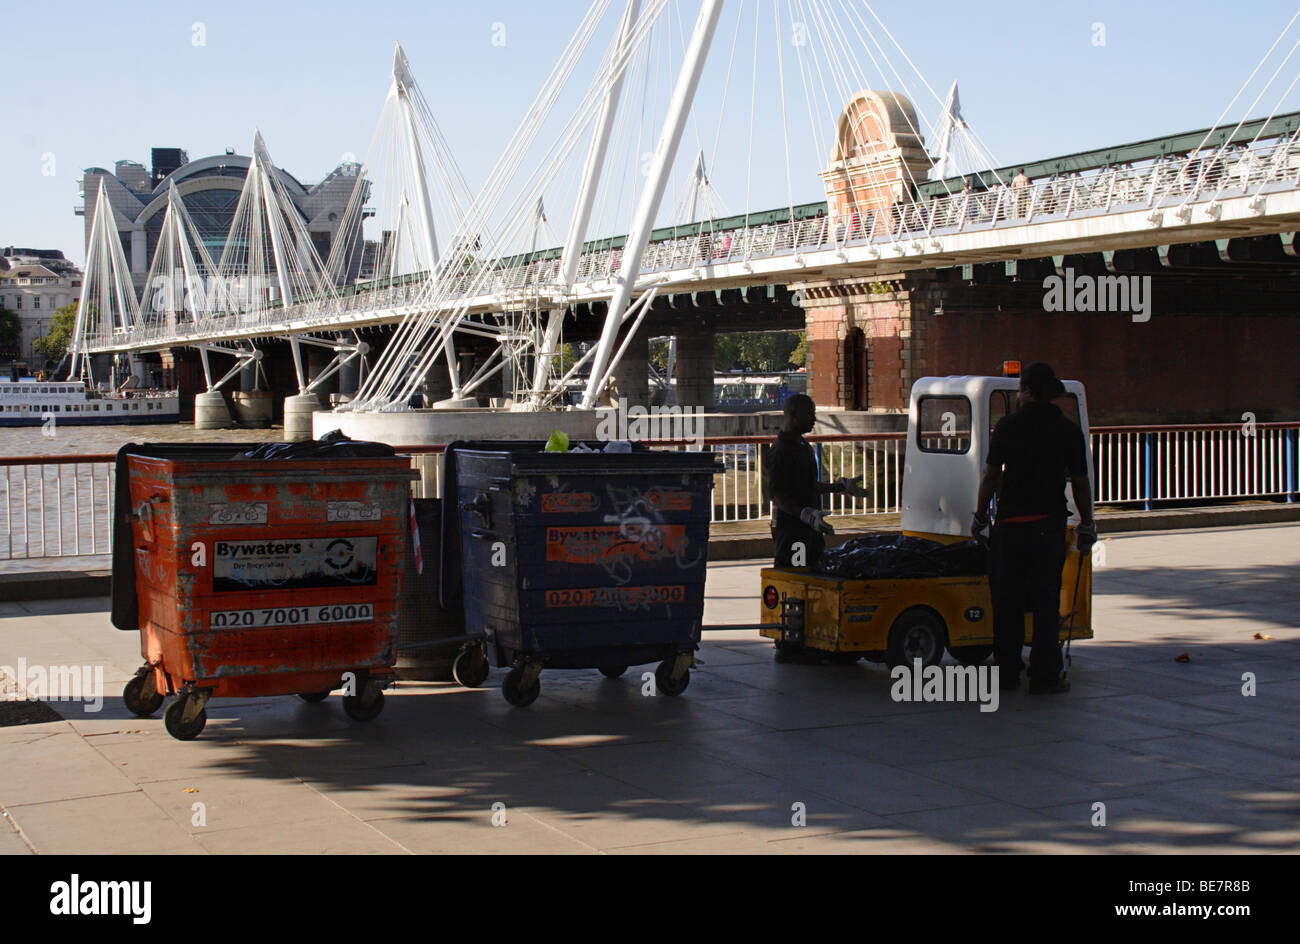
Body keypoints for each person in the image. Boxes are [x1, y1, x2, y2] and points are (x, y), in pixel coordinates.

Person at [972, 362, 1095, 695]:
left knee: (1007, 602)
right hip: (1048, 528)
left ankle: (1006, 673)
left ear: (1026, 391)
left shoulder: (1008, 427)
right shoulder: (1068, 431)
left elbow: (990, 475)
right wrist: (1087, 522)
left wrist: (980, 515)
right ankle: (1044, 676)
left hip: (1011, 528)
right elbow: (1080, 483)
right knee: (1045, 603)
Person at [768, 394, 863, 569]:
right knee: (794, 578)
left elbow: (808, 484)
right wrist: (804, 514)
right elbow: (777, 494)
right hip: (792, 531)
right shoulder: (781, 451)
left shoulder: (803, 446)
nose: (814, 419)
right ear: (793, 416)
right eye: (810, 414)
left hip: (811, 529)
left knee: (813, 574)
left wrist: (840, 486)